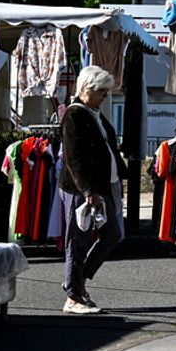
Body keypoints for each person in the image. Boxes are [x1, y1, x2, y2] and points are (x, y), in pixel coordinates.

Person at [58, 65, 125, 314]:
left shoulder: (93, 113)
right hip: (81, 189)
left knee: (113, 235)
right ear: (87, 89)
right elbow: (75, 158)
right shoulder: (75, 114)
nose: (104, 97)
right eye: (101, 92)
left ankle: (76, 281)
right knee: (77, 240)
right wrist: (88, 191)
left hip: (102, 186)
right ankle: (73, 296)